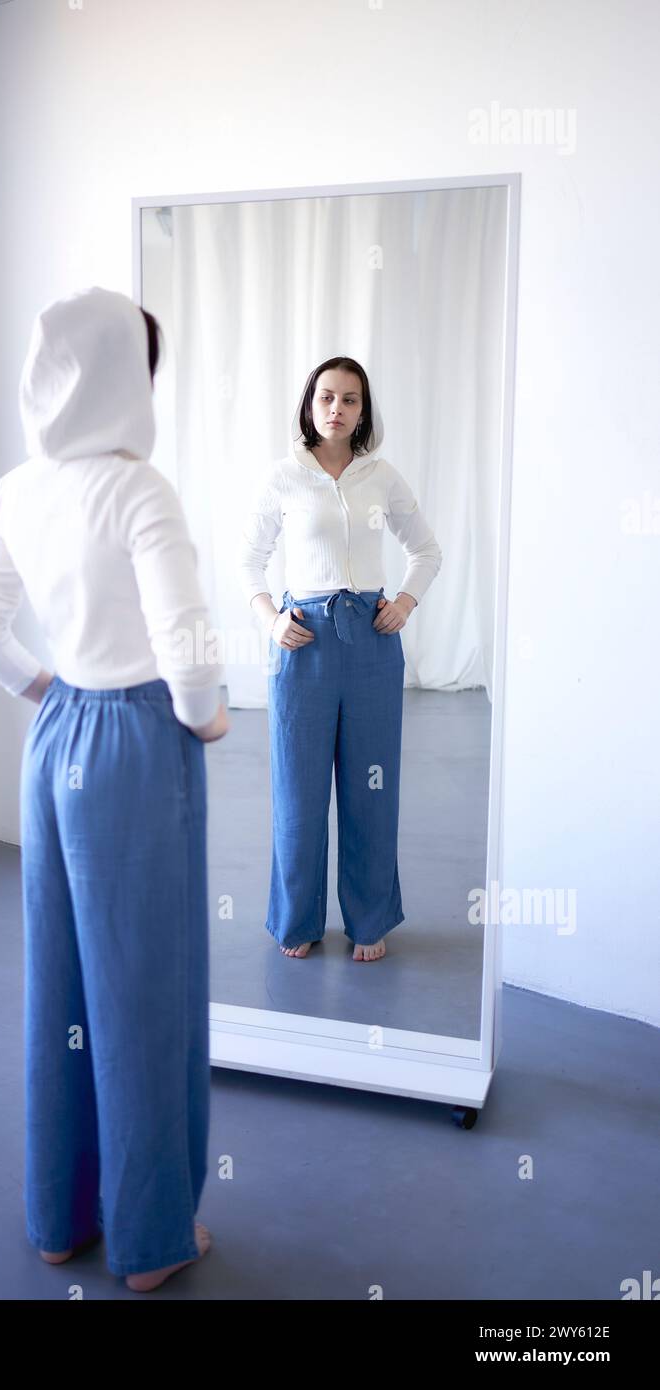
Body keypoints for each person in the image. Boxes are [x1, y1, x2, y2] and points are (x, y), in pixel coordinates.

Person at [0, 286, 227, 1292]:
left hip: (57, 731)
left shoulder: (18, 487)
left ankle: (58, 1220)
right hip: (135, 739)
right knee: (141, 988)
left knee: (60, 980)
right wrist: (206, 713)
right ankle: (152, 1239)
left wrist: (46, 691)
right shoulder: (137, 489)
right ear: (123, 375)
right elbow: (185, 644)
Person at [236, 358, 442, 961]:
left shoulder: (381, 477)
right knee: (298, 792)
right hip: (306, 643)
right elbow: (247, 561)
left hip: (373, 641)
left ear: (362, 412)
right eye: (326, 397)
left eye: (350, 400)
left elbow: (426, 549)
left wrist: (405, 600)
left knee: (371, 789)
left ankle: (369, 920)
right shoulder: (283, 477)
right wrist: (272, 620)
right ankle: (297, 920)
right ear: (309, 405)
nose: (337, 409)